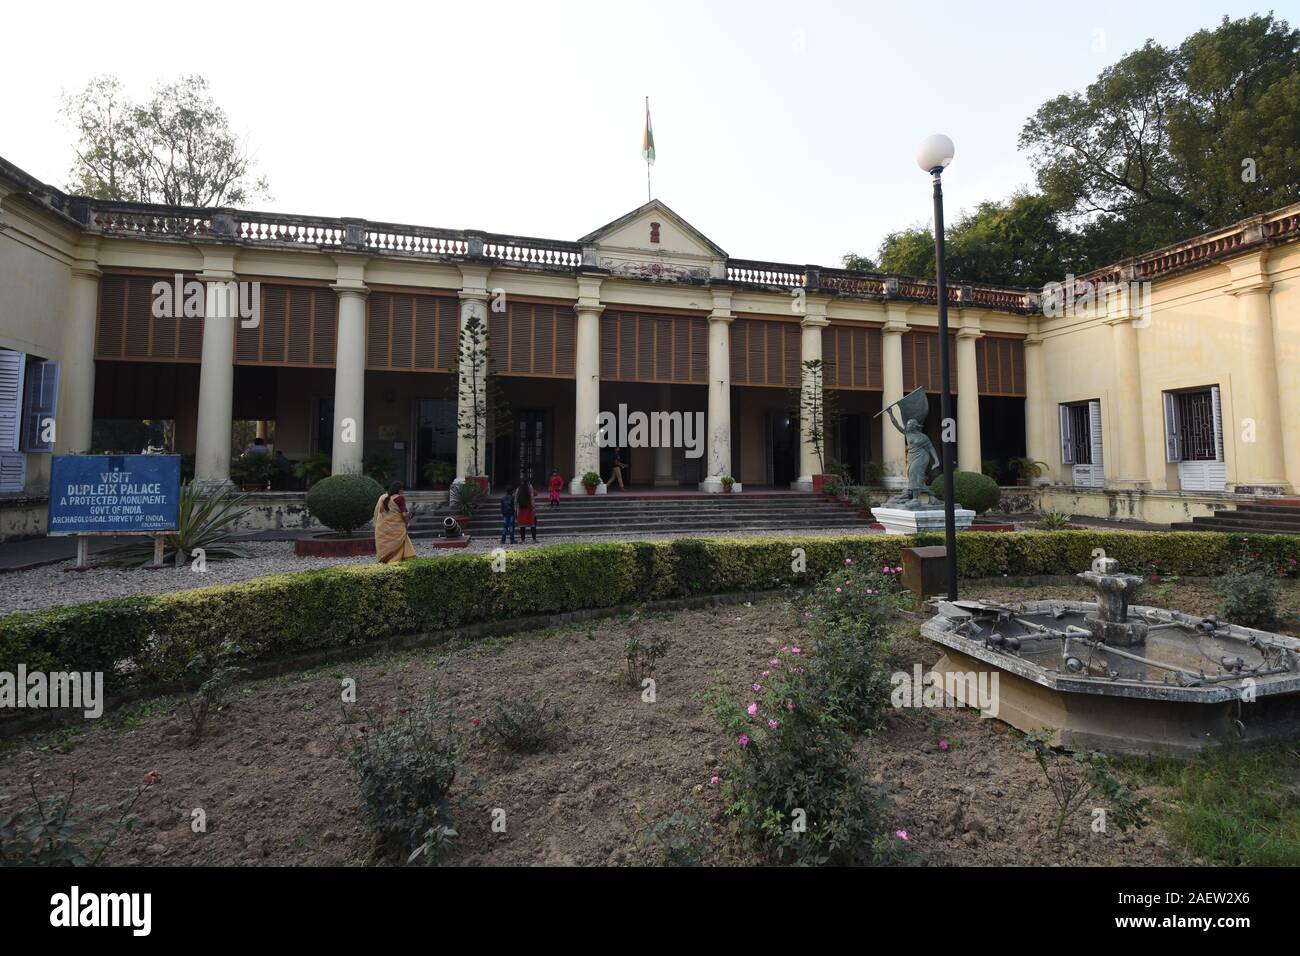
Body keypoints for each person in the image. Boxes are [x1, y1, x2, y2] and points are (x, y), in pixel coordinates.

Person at [373, 481, 417, 563]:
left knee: (391, 544)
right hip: (397, 527)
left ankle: (387, 560)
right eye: (402, 489)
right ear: (399, 490)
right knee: (399, 541)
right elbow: (404, 514)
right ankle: (396, 560)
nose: (403, 491)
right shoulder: (400, 498)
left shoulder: (383, 498)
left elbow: (379, 513)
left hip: (383, 528)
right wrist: (407, 521)